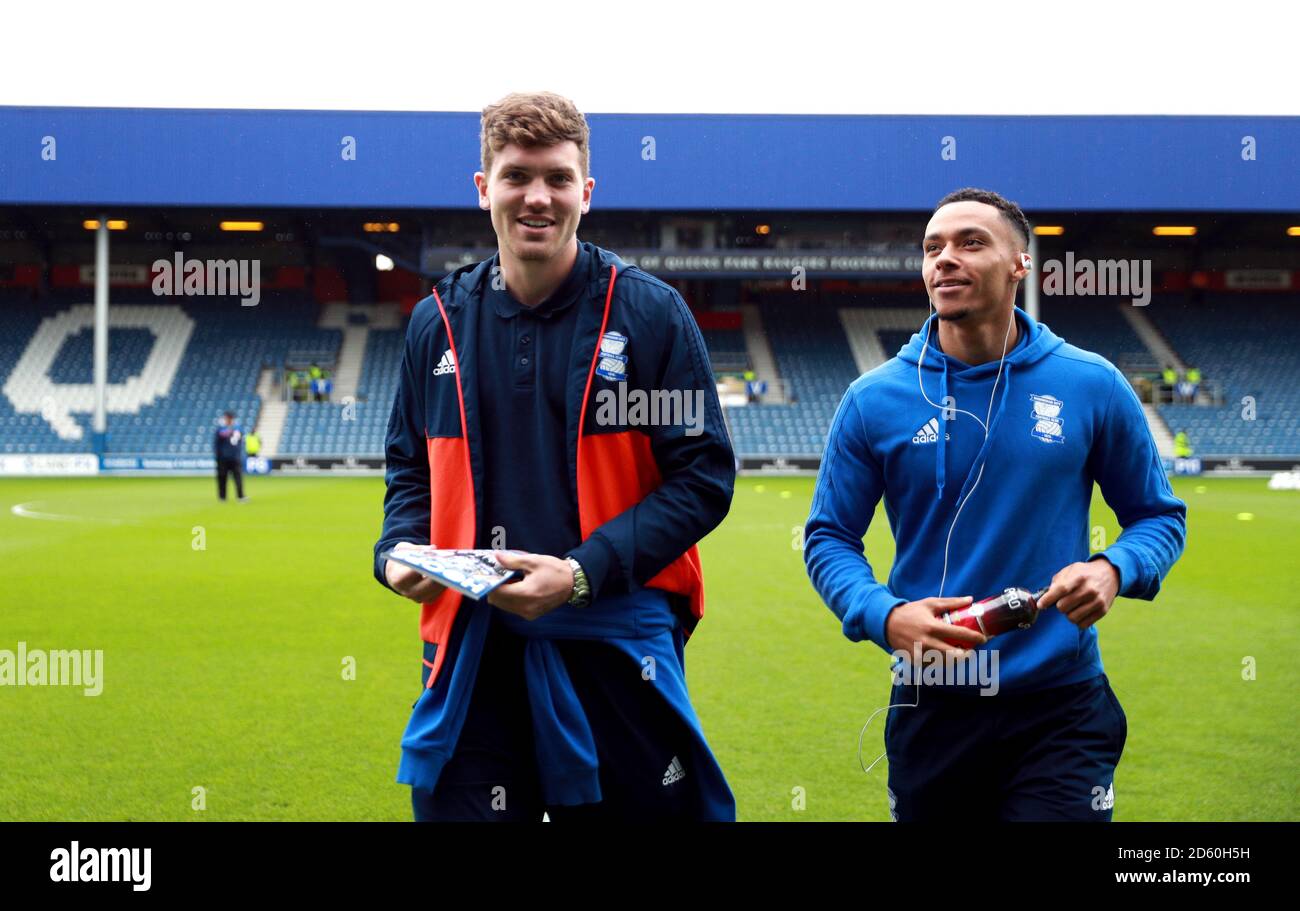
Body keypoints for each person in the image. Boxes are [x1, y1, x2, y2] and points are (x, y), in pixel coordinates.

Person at [374, 91, 736, 822]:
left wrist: (578, 574)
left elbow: (703, 477)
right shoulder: (435, 320)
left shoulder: (650, 313)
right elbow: (409, 467)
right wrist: (394, 550)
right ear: (484, 189)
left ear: (586, 192)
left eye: (557, 178)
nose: (537, 196)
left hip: (613, 644)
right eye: (516, 176)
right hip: (472, 647)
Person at [804, 188, 1186, 822]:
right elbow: (828, 537)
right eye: (932, 248)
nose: (944, 260)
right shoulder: (873, 398)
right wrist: (883, 614)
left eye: (969, 243)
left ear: (1020, 263)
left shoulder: (1091, 384)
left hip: (1060, 706)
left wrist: (1114, 568)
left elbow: (1157, 515)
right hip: (933, 702)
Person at [213, 410, 248, 502]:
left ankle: (240, 496)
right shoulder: (224, 429)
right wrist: (217, 456)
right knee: (222, 478)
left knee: (238, 478)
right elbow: (216, 444)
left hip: (234, 457)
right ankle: (222, 497)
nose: (227, 419)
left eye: (229, 418)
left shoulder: (234, 429)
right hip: (223, 458)